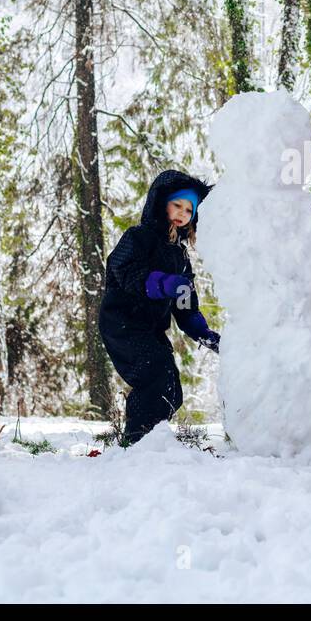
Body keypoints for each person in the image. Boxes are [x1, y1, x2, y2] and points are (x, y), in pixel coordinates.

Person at [99, 170, 218, 445]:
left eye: (189, 209)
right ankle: (138, 440)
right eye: (177, 204)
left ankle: (154, 441)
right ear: (161, 202)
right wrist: (163, 283)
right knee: (155, 371)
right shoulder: (138, 237)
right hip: (123, 322)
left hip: (150, 329)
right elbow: (123, 268)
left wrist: (203, 333)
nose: (182, 213)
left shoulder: (180, 256)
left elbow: (185, 303)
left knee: (171, 388)